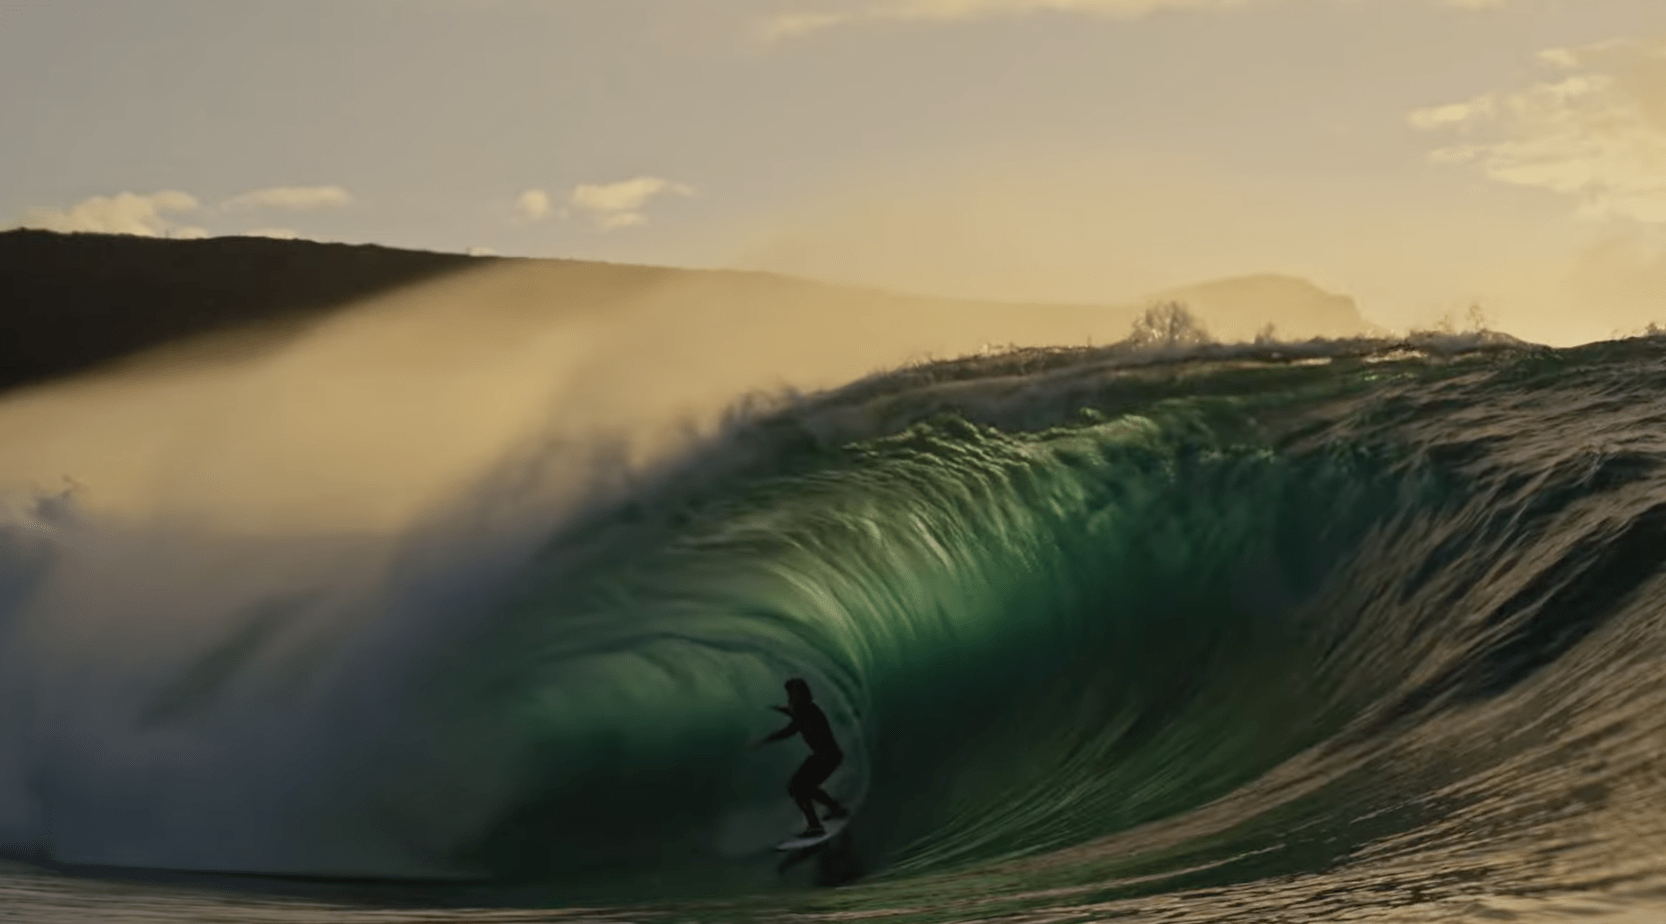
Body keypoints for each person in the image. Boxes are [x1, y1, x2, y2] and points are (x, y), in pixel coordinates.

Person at [753, 677, 849, 838]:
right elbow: (793, 713)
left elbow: (789, 730)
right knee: (805, 788)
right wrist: (778, 708)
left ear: (803, 694)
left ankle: (815, 826)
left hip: (826, 757)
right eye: (790, 694)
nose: (791, 696)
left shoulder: (807, 712)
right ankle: (835, 808)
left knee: (797, 788)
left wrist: (765, 740)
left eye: (794, 693)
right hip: (823, 757)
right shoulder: (805, 709)